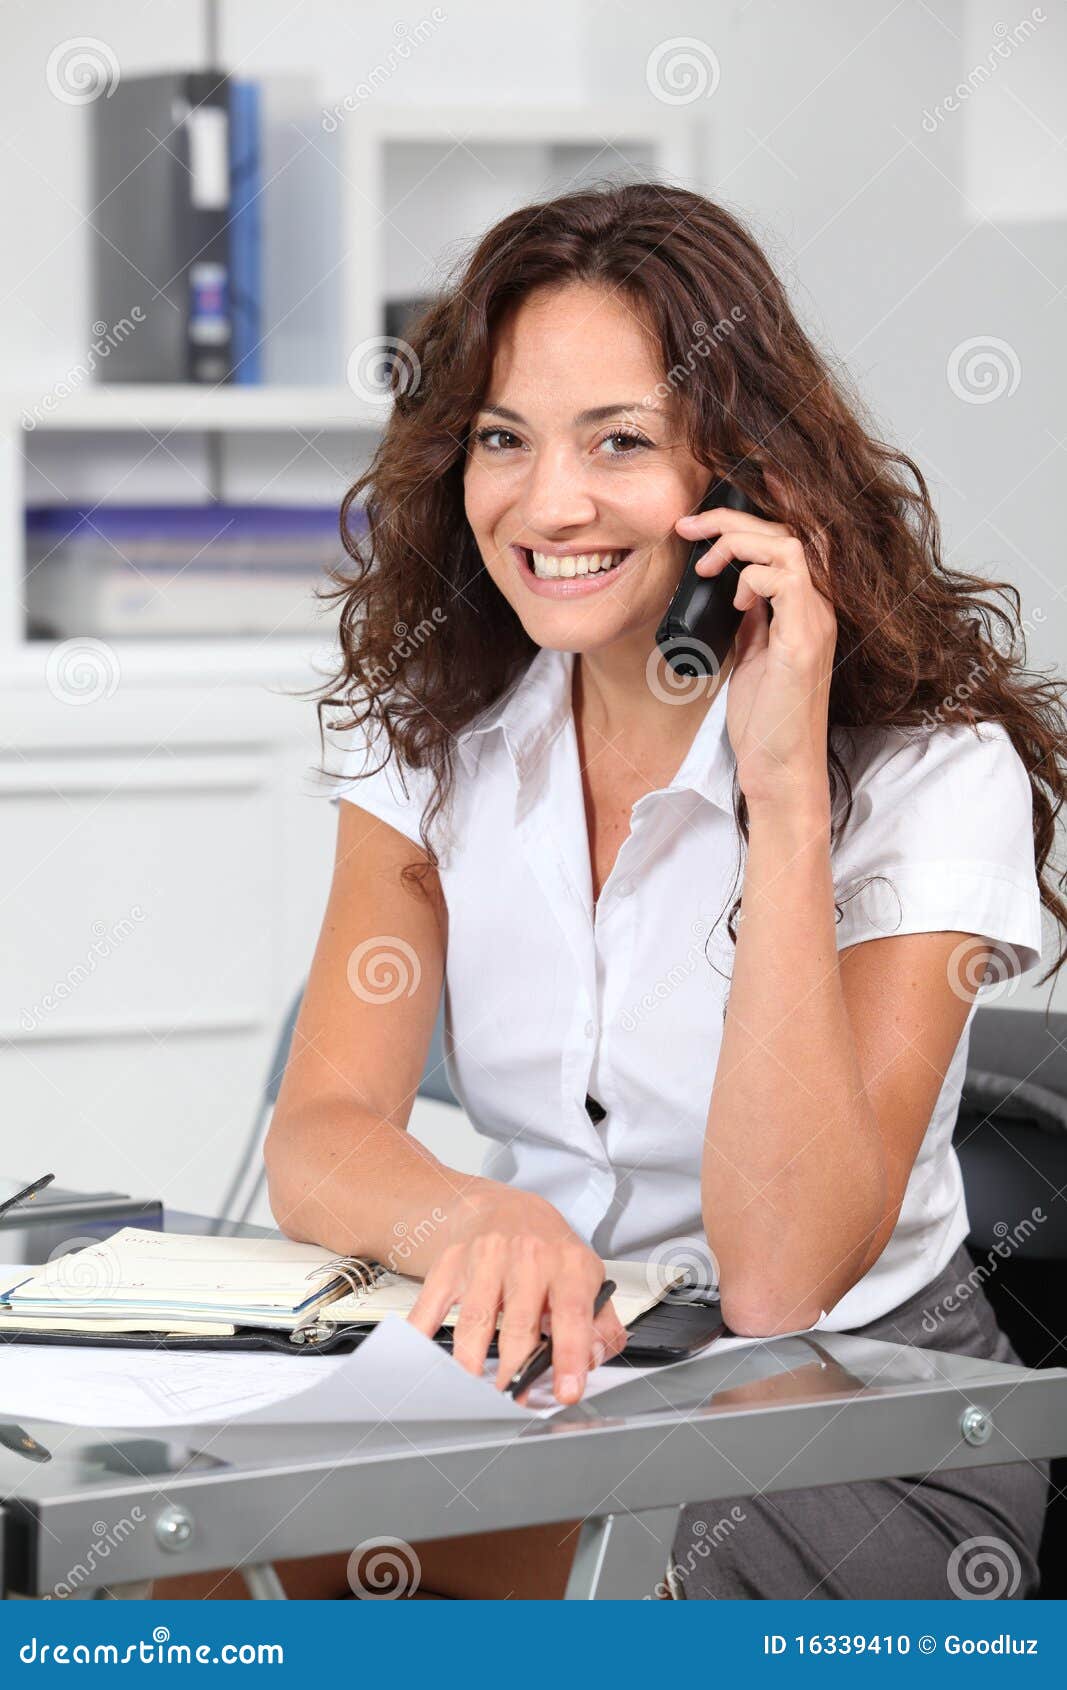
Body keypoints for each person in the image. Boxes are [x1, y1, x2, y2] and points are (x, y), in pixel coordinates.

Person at [261, 182, 1065, 1600]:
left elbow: (779, 1280)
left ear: (740, 479)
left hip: (851, 1427)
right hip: (552, 1377)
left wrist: (782, 797)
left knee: (371, 1577)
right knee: (167, 1567)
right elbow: (322, 1132)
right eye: (504, 439)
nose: (548, 502)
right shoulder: (434, 734)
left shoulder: (935, 778)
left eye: (619, 442)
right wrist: (469, 1218)